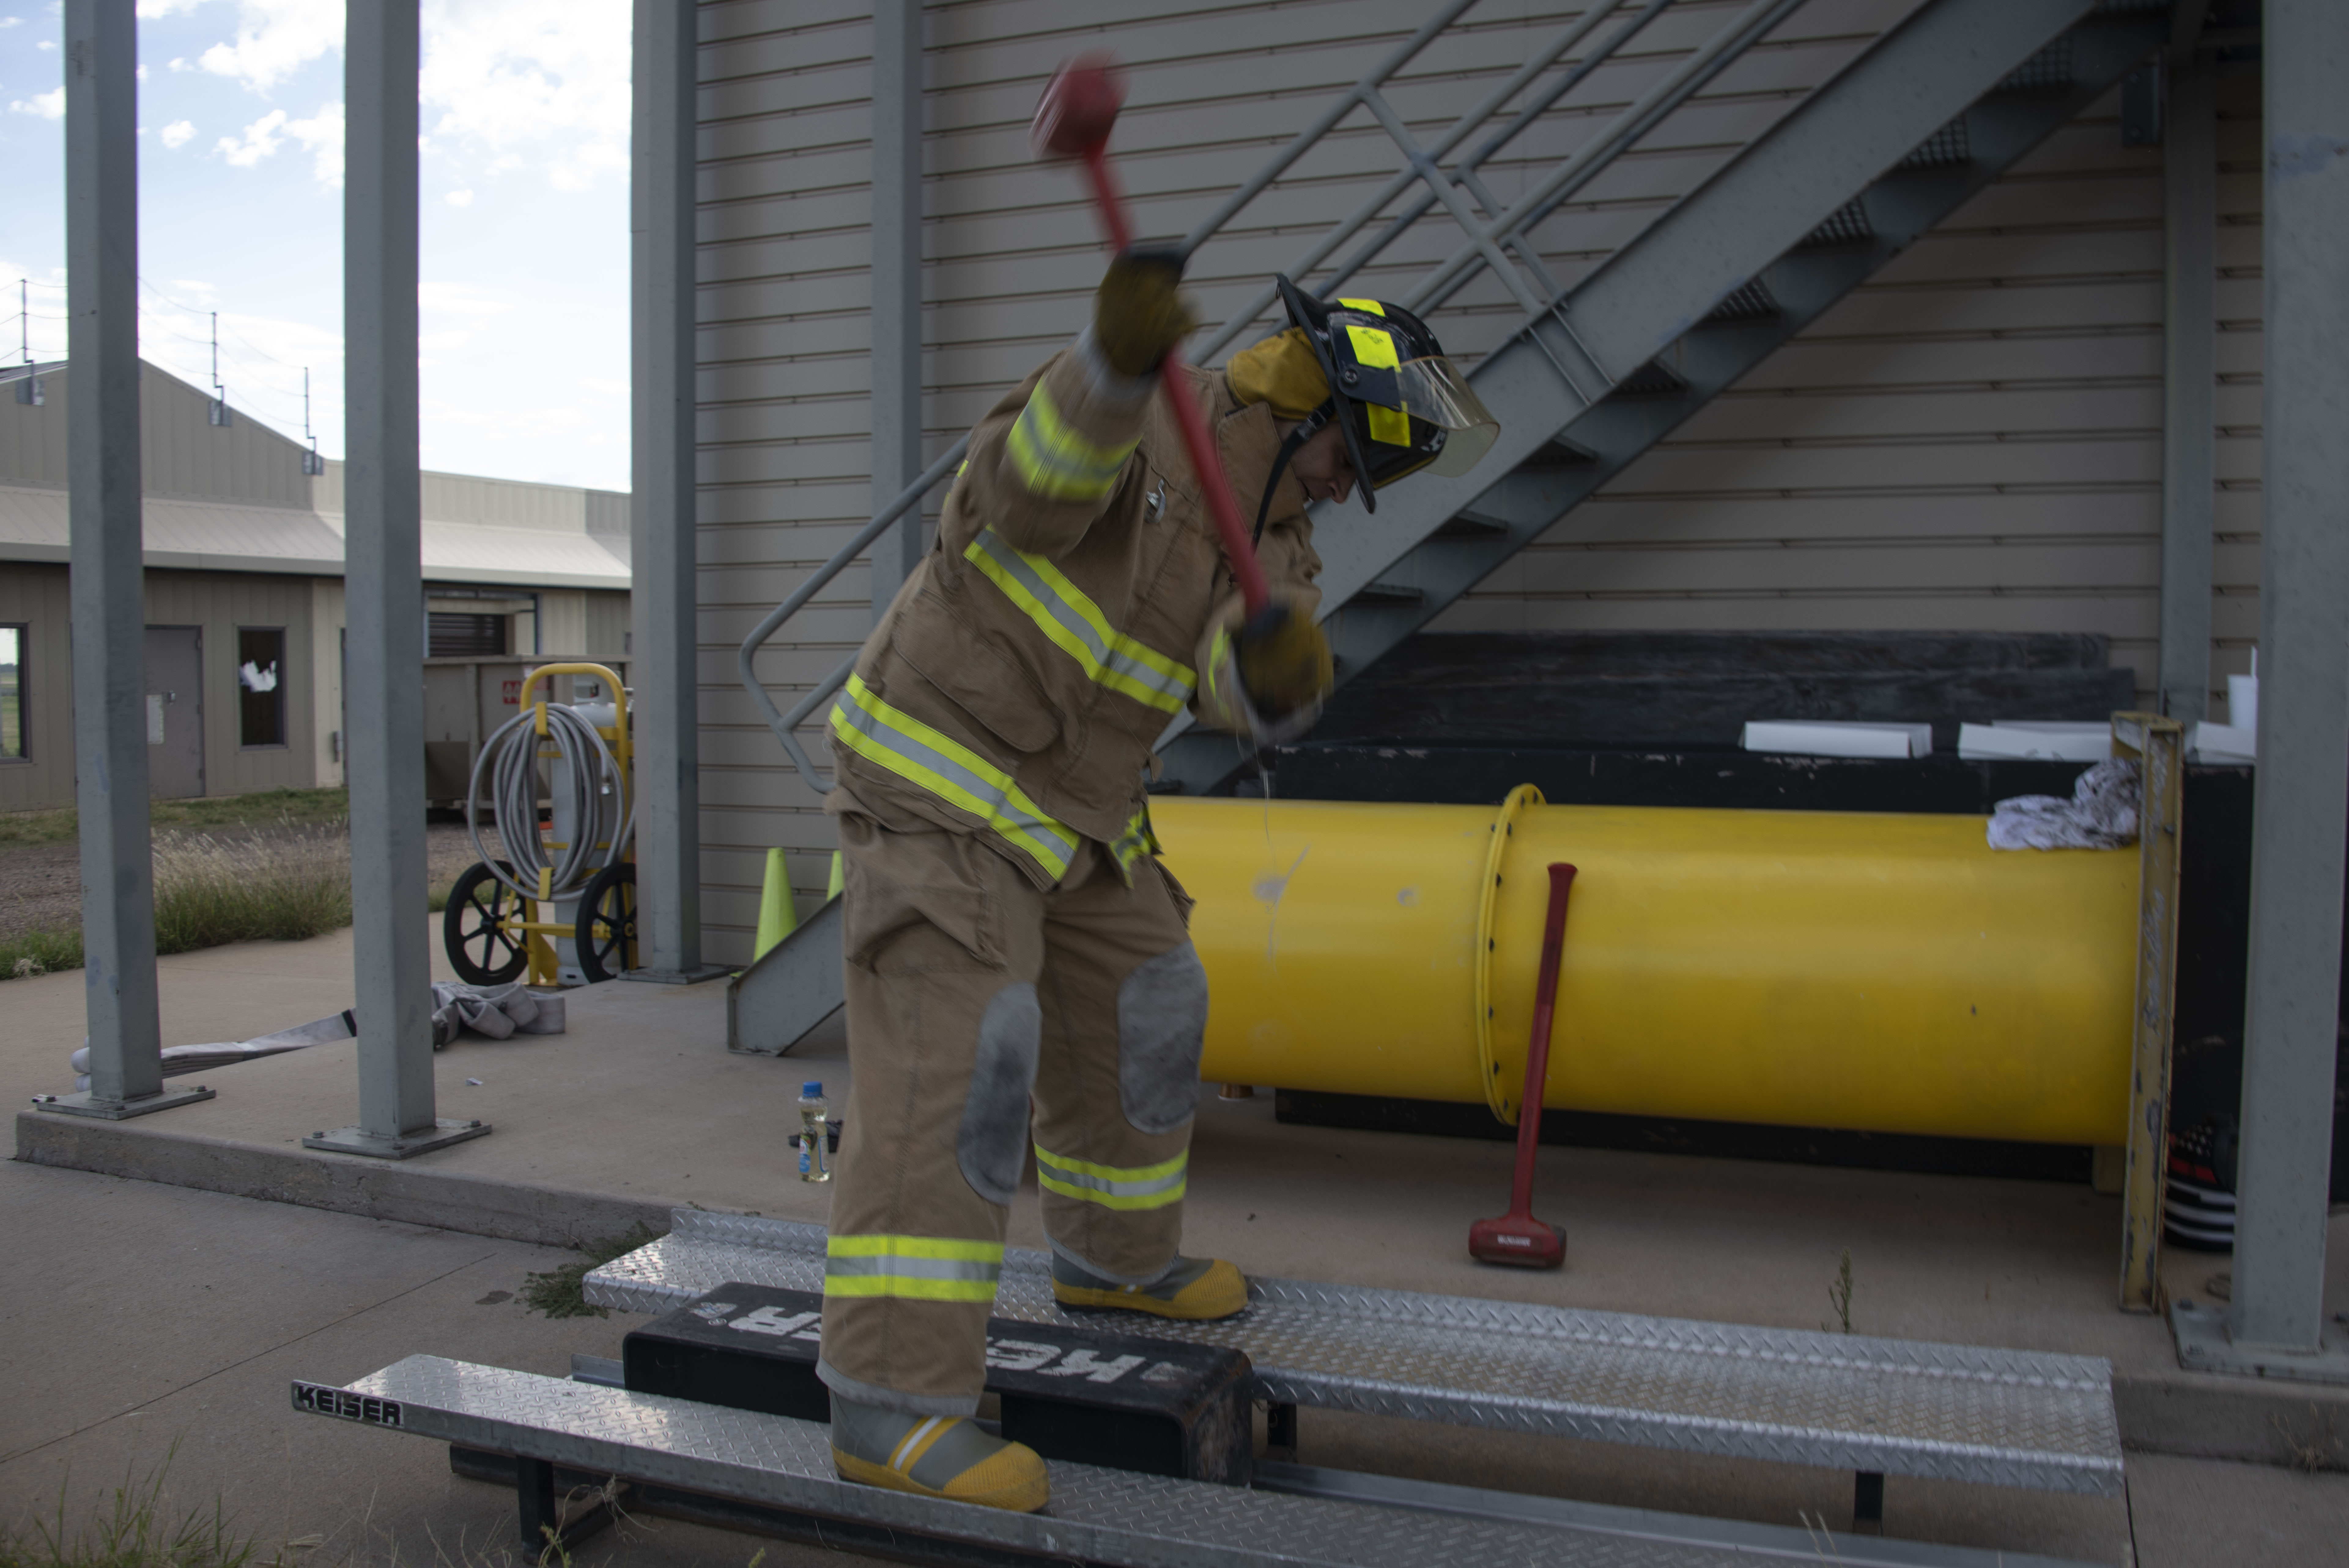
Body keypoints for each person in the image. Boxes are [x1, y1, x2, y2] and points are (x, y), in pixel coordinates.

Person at [817, 252, 1500, 1513]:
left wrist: (1276, 678)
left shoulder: (1277, 545)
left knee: (1152, 991)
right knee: (968, 1058)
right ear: (1303, 408)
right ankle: (888, 1403)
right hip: (937, 782)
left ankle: (1113, 1264)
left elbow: (1227, 688)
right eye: (1342, 457)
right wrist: (1105, 367)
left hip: (1073, 812)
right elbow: (1020, 497)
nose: (1342, 488)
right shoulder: (1134, 420)